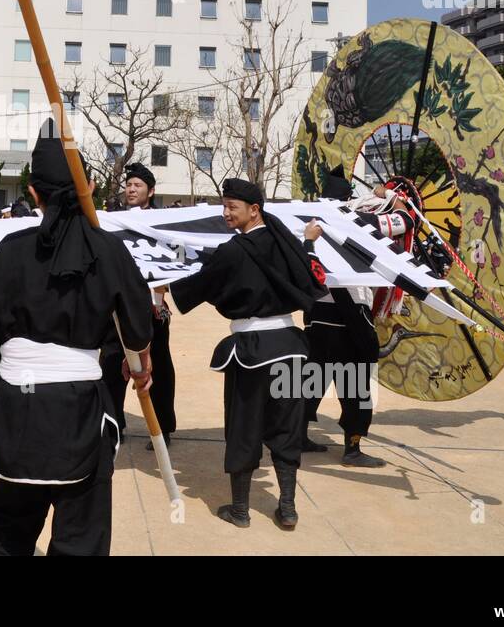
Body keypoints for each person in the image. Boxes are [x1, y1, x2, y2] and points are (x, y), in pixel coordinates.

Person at [0, 120, 153, 556]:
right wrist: (140, 366)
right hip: (80, 410)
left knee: (7, 534)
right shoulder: (109, 251)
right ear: (89, 186)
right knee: (81, 539)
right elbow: (139, 329)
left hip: (17, 409)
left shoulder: (9, 251)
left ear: (33, 192)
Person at [158, 178, 325, 530]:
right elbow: (312, 278)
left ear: (254, 210)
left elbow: (196, 289)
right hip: (291, 349)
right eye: (224, 205)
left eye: (232, 206)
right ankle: (288, 508)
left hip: (250, 351)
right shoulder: (287, 246)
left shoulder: (232, 252)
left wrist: (164, 282)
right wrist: (309, 243)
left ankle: (240, 510)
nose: (225, 213)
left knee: (243, 428)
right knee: (287, 426)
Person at [301, 168, 385, 467]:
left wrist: (369, 196)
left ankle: (297, 435)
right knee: (357, 387)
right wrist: (391, 195)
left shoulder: (308, 224)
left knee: (312, 379)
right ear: (347, 198)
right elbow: (402, 221)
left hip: (318, 317)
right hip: (350, 318)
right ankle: (352, 449)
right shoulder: (356, 222)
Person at [102, 162, 175, 450]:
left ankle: (163, 427)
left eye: (138, 186)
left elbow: (171, 264)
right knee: (110, 363)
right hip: (117, 308)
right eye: (128, 185)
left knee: (159, 368)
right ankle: (113, 422)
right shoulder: (113, 220)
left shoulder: (161, 222)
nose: (131, 190)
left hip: (153, 308)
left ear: (151, 191)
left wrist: (159, 297)